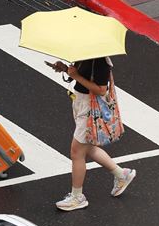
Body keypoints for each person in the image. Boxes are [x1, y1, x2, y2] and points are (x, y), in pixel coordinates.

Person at [51, 58, 136, 211]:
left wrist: (76, 76)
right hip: (80, 102)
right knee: (88, 147)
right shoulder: (85, 54)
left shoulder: (100, 61)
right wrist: (66, 69)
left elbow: (101, 89)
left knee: (76, 152)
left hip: (90, 109)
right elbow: (82, 76)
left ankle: (77, 197)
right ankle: (121, 174)